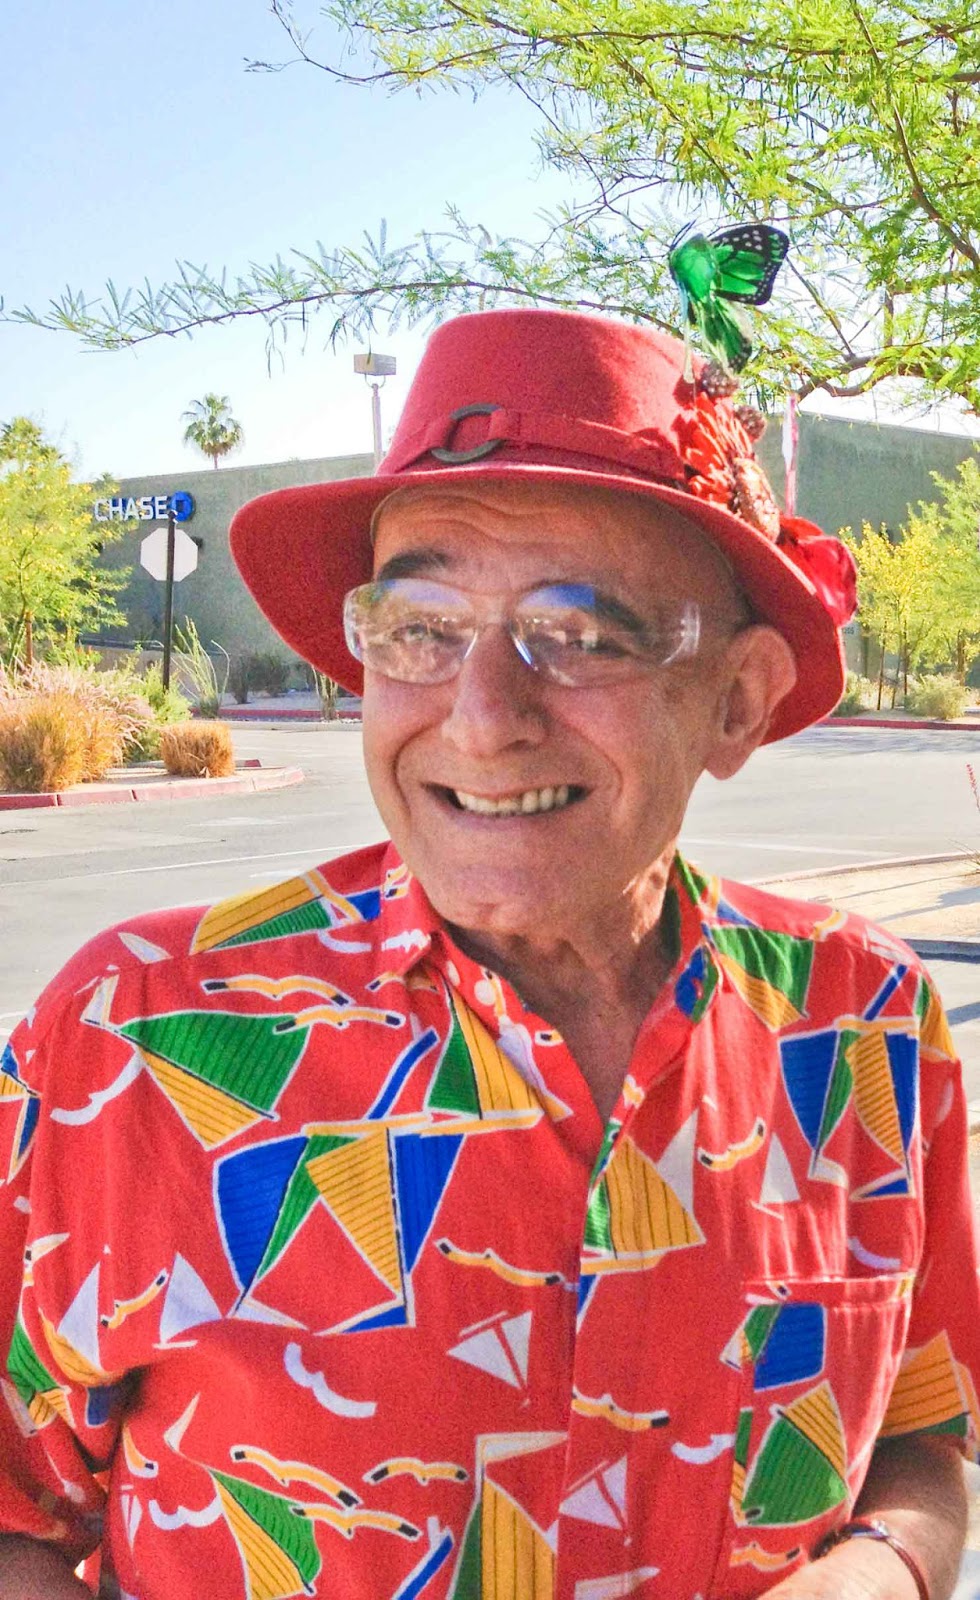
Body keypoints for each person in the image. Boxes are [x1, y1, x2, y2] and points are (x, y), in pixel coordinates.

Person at [0, 308, 976, 1600]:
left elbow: (926, 1429)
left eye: (578, 634)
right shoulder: (128, 1044)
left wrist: (887, 1568)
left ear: (736, 701)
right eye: (421, 627)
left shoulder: (867, 1029)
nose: (481, 717)